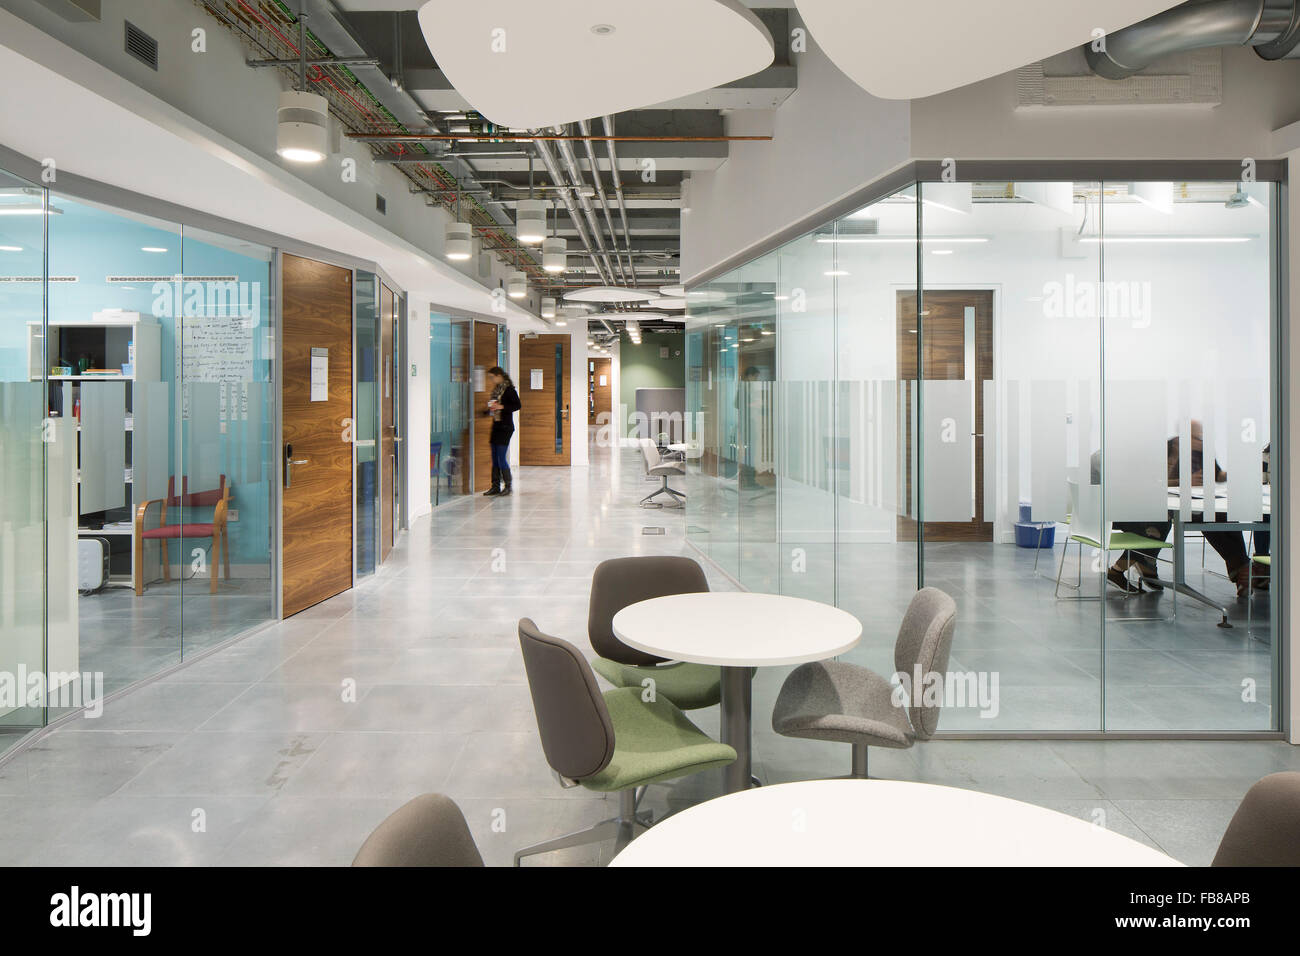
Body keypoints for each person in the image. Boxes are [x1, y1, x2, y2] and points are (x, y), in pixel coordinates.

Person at [1092, 421, 1255, 597]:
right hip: (1125, 510)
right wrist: (1183, 482)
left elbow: (1215, 474)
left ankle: (1241, 569)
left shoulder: (1198, 452)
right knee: (1157, 526)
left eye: (1201, 437)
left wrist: (1232, 473)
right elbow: (1142, 485)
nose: (1199, 441)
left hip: (1176, 504)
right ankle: (1119, 570)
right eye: (1195, 437)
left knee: (1219, 516)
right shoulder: (1134, 455)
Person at [482, 366, 521, 497]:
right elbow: (493, 406)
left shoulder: (509, 390)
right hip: (496, 426)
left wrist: (501, 406)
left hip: (505, 427)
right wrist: (489, 410)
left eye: (492, 377)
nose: (492, 380)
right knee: (494, 457)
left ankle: (508, 486)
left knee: (501, 457)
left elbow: (517, 405)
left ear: (499, 375)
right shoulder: (496, 390)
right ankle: (495, 486)